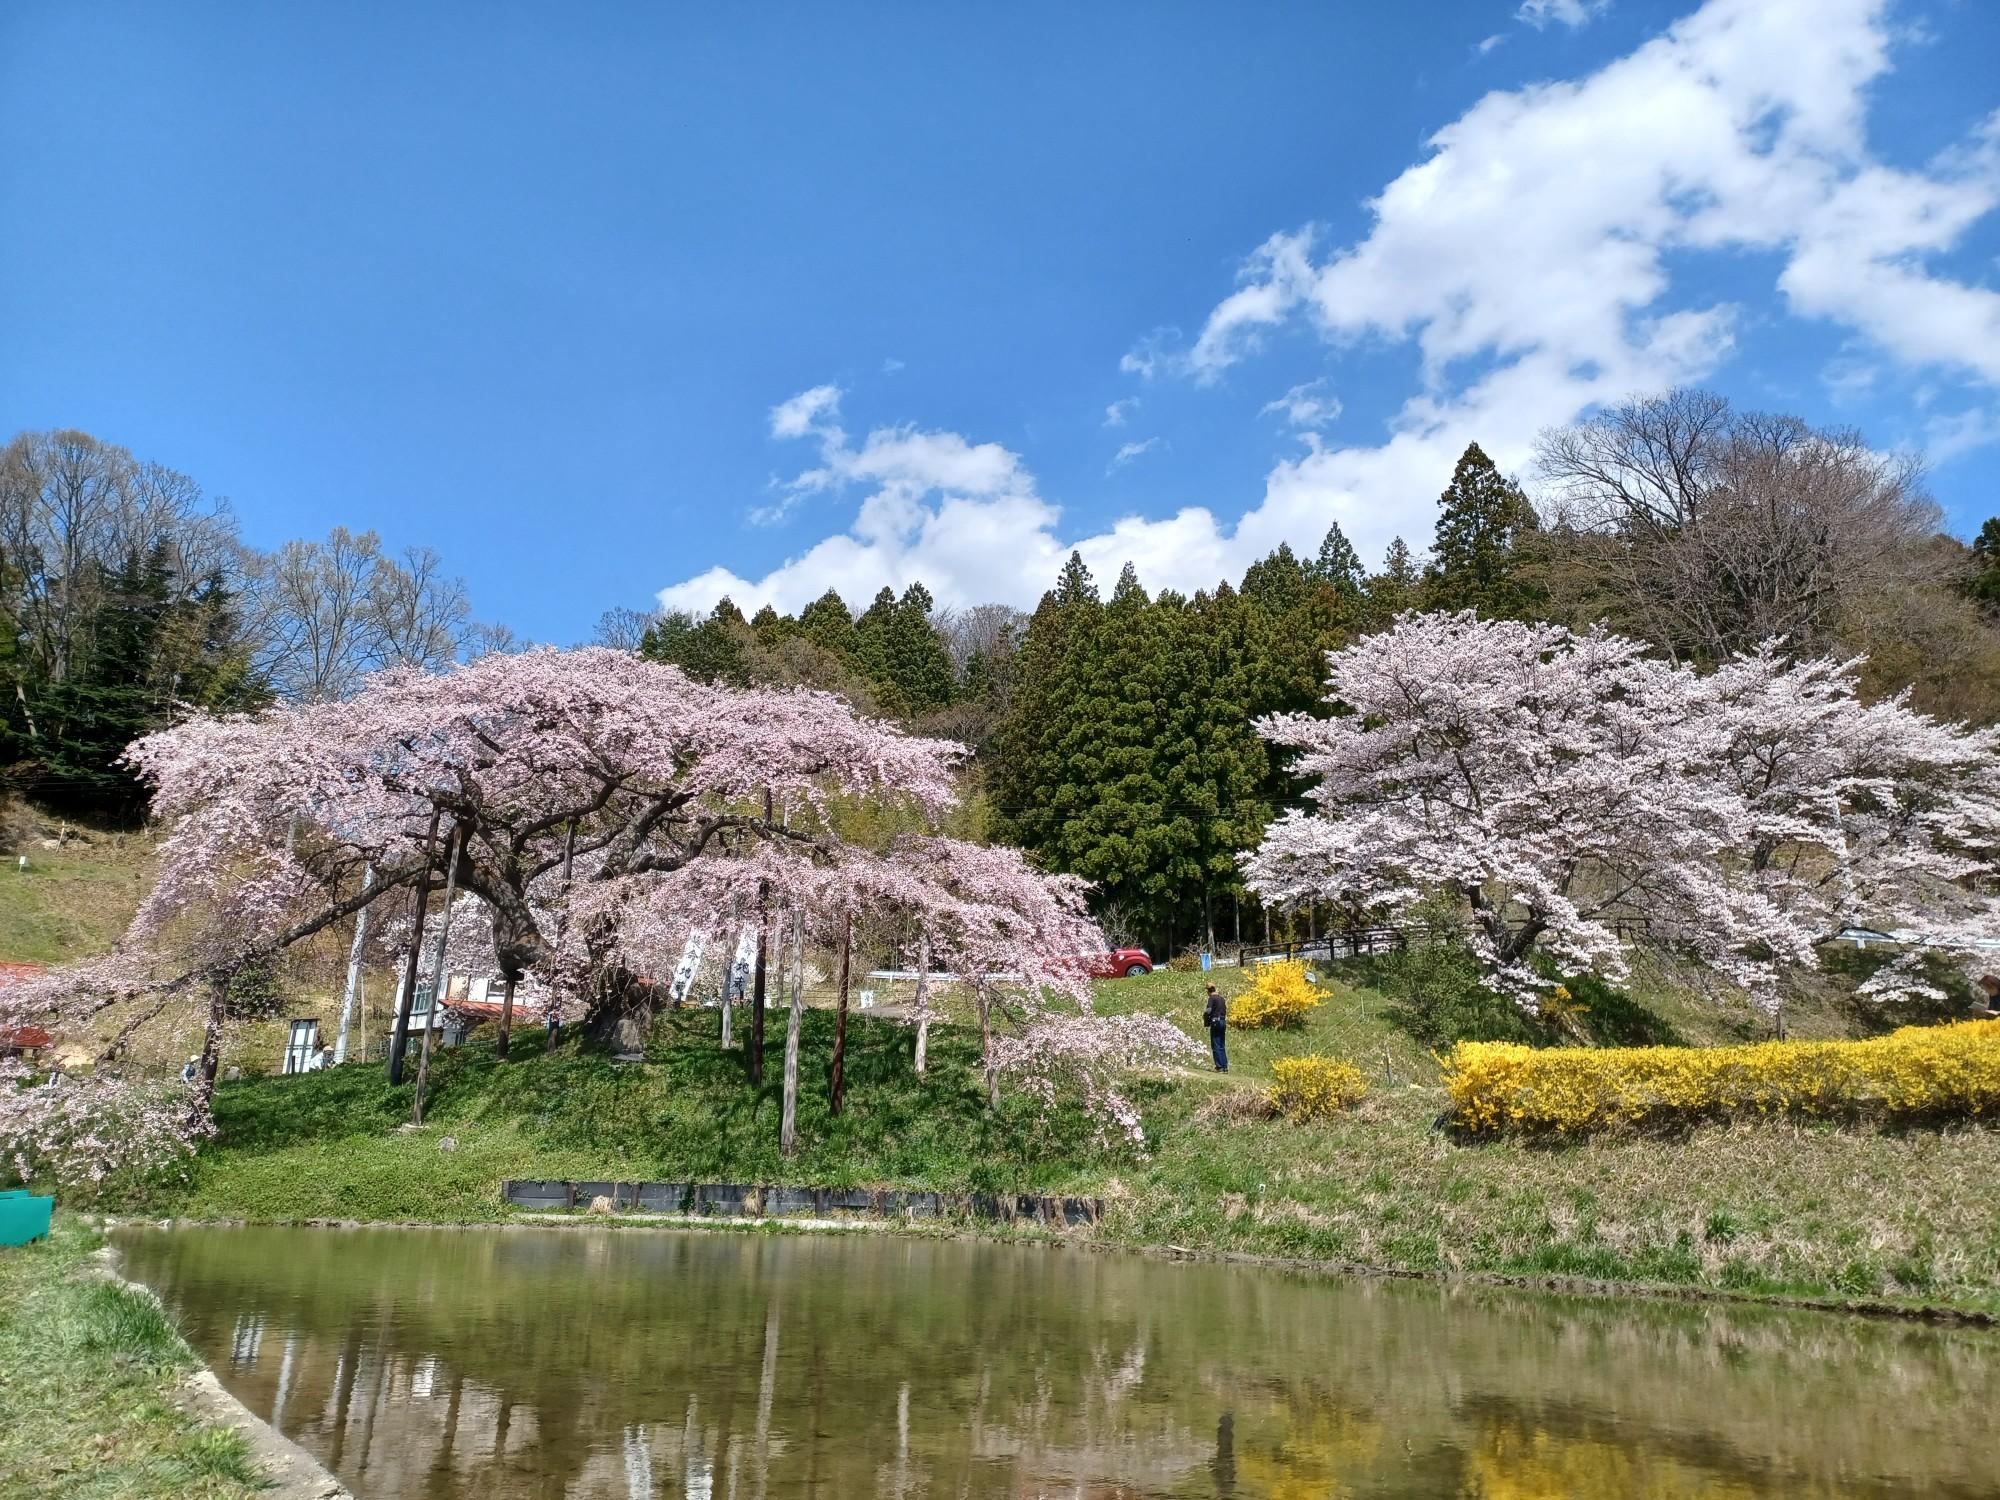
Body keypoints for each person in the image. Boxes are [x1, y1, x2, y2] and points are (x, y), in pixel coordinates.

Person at [1202, 983, 1228, 1072]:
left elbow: (1208, 1010)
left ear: (1208, 991)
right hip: (1223, 1021)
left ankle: (1219, 1066)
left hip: (1215, 1022)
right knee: (1221, 1044)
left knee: (1215, 1044)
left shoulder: (1211, 998)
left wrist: (1205, 1019)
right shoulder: (1222, 999)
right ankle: (1225, 1066)